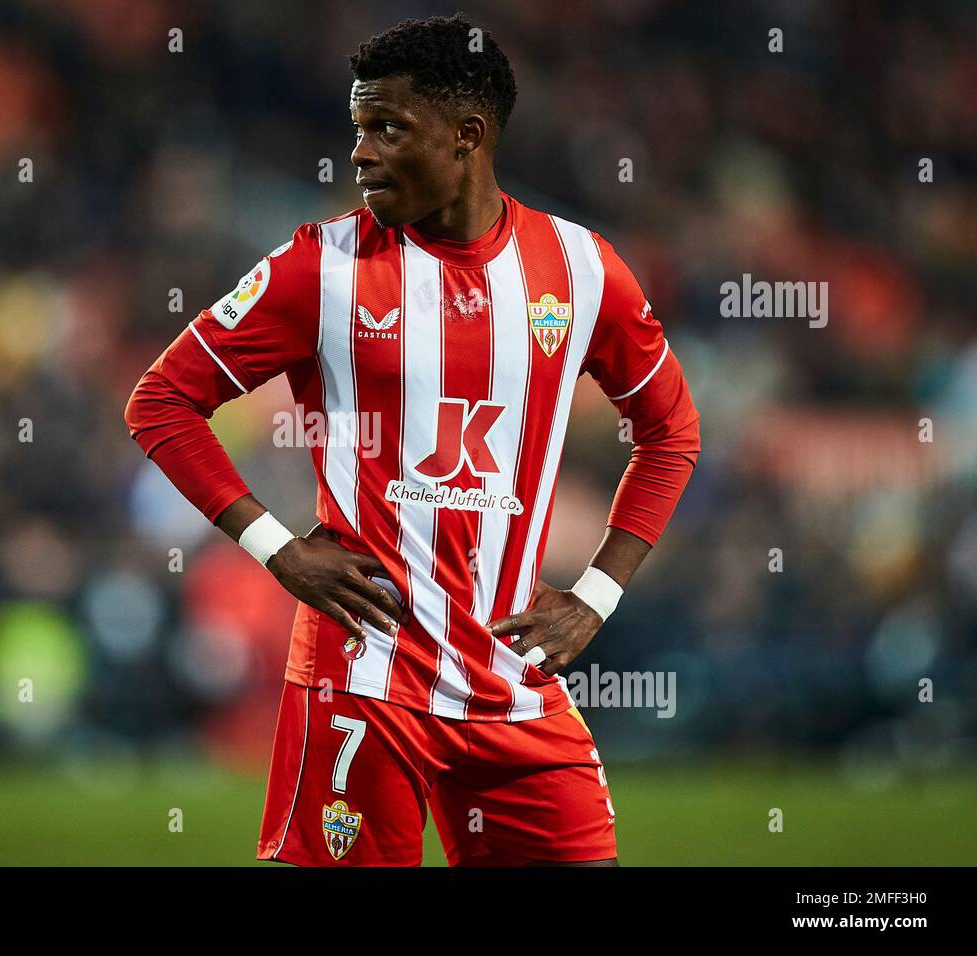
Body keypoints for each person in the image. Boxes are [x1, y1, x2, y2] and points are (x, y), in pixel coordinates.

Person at [125, 13, 700, 866]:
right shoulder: (317, 269)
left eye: (387, 129)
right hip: (364, 679)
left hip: (513, 683)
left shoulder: (581, 271)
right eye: (358, 129)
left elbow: (670, 429)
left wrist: (597, 597)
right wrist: (277, 547)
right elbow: (163, 400)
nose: (360, 154)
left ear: (468, 136)